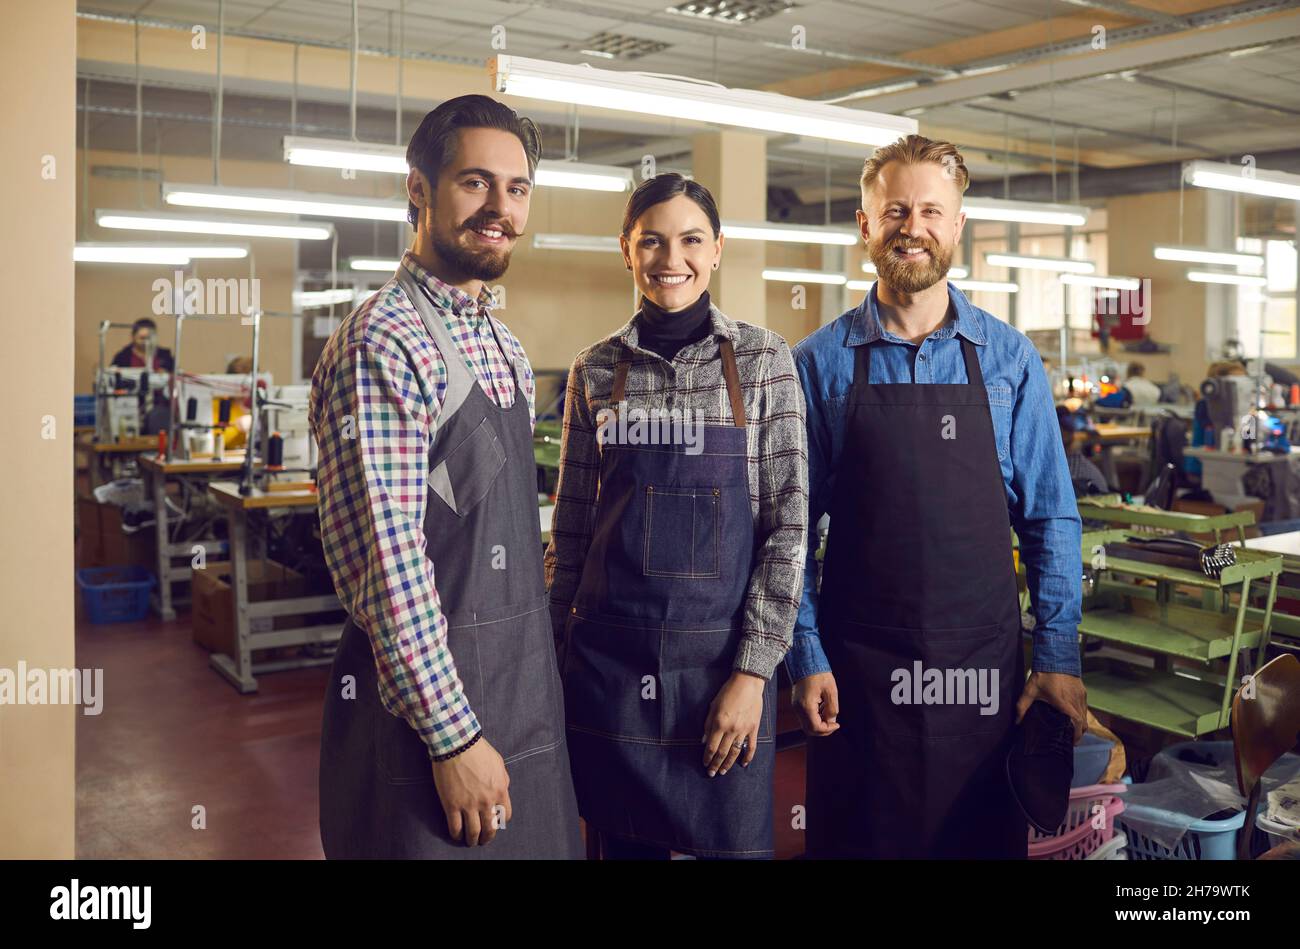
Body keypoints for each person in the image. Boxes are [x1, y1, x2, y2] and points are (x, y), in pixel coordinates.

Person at [791, 134, 1087, 859]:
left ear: (957, 225)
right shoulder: (817, 364)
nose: (911, 226)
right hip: (858, 679)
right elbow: (786, 530)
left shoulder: (1010, 360)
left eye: (931, 210)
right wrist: (805, 652)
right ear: (865, 224)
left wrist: (1058, 656)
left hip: (981, 677)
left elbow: (1050, 518)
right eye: (895, 209)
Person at [312, 95, 581, 859]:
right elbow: (391, 563)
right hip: (427, 725)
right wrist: (453, 737)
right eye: (475, 182)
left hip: (522, 696)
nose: (501, 208)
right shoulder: (384, 341)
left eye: (518, 188)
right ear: (418, 190)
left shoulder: (504, 345)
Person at [544, 173, 808, 859]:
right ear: (626, 251)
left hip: (718, 673)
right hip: (609, 670)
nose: (672, 259)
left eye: (691, 240)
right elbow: (571, 530)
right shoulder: (595, 369)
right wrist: (554, 658)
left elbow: (788, 528)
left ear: (716, 249)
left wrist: (753, 673)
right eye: (652, 241)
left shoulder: (764, 361)